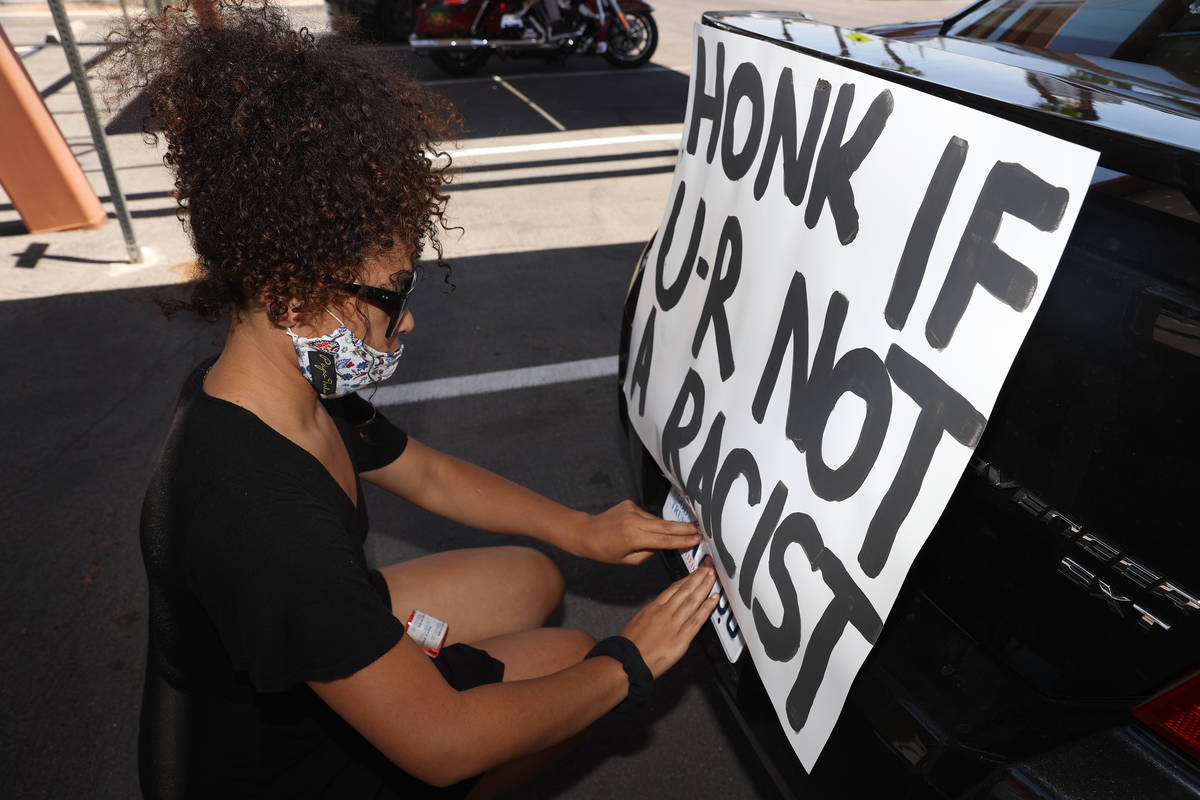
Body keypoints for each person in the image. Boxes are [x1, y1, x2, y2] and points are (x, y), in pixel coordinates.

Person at [112, 2, 719, 798]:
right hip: (270, 771)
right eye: (392, 294)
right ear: (291, 296)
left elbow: (425, 475)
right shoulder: (257, 518)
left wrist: (585, 530)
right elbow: (444, 745)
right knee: (578, 666)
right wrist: (631, 664)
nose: (408, 318)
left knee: (535, 580)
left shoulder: (279, 385)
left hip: (302, 651)